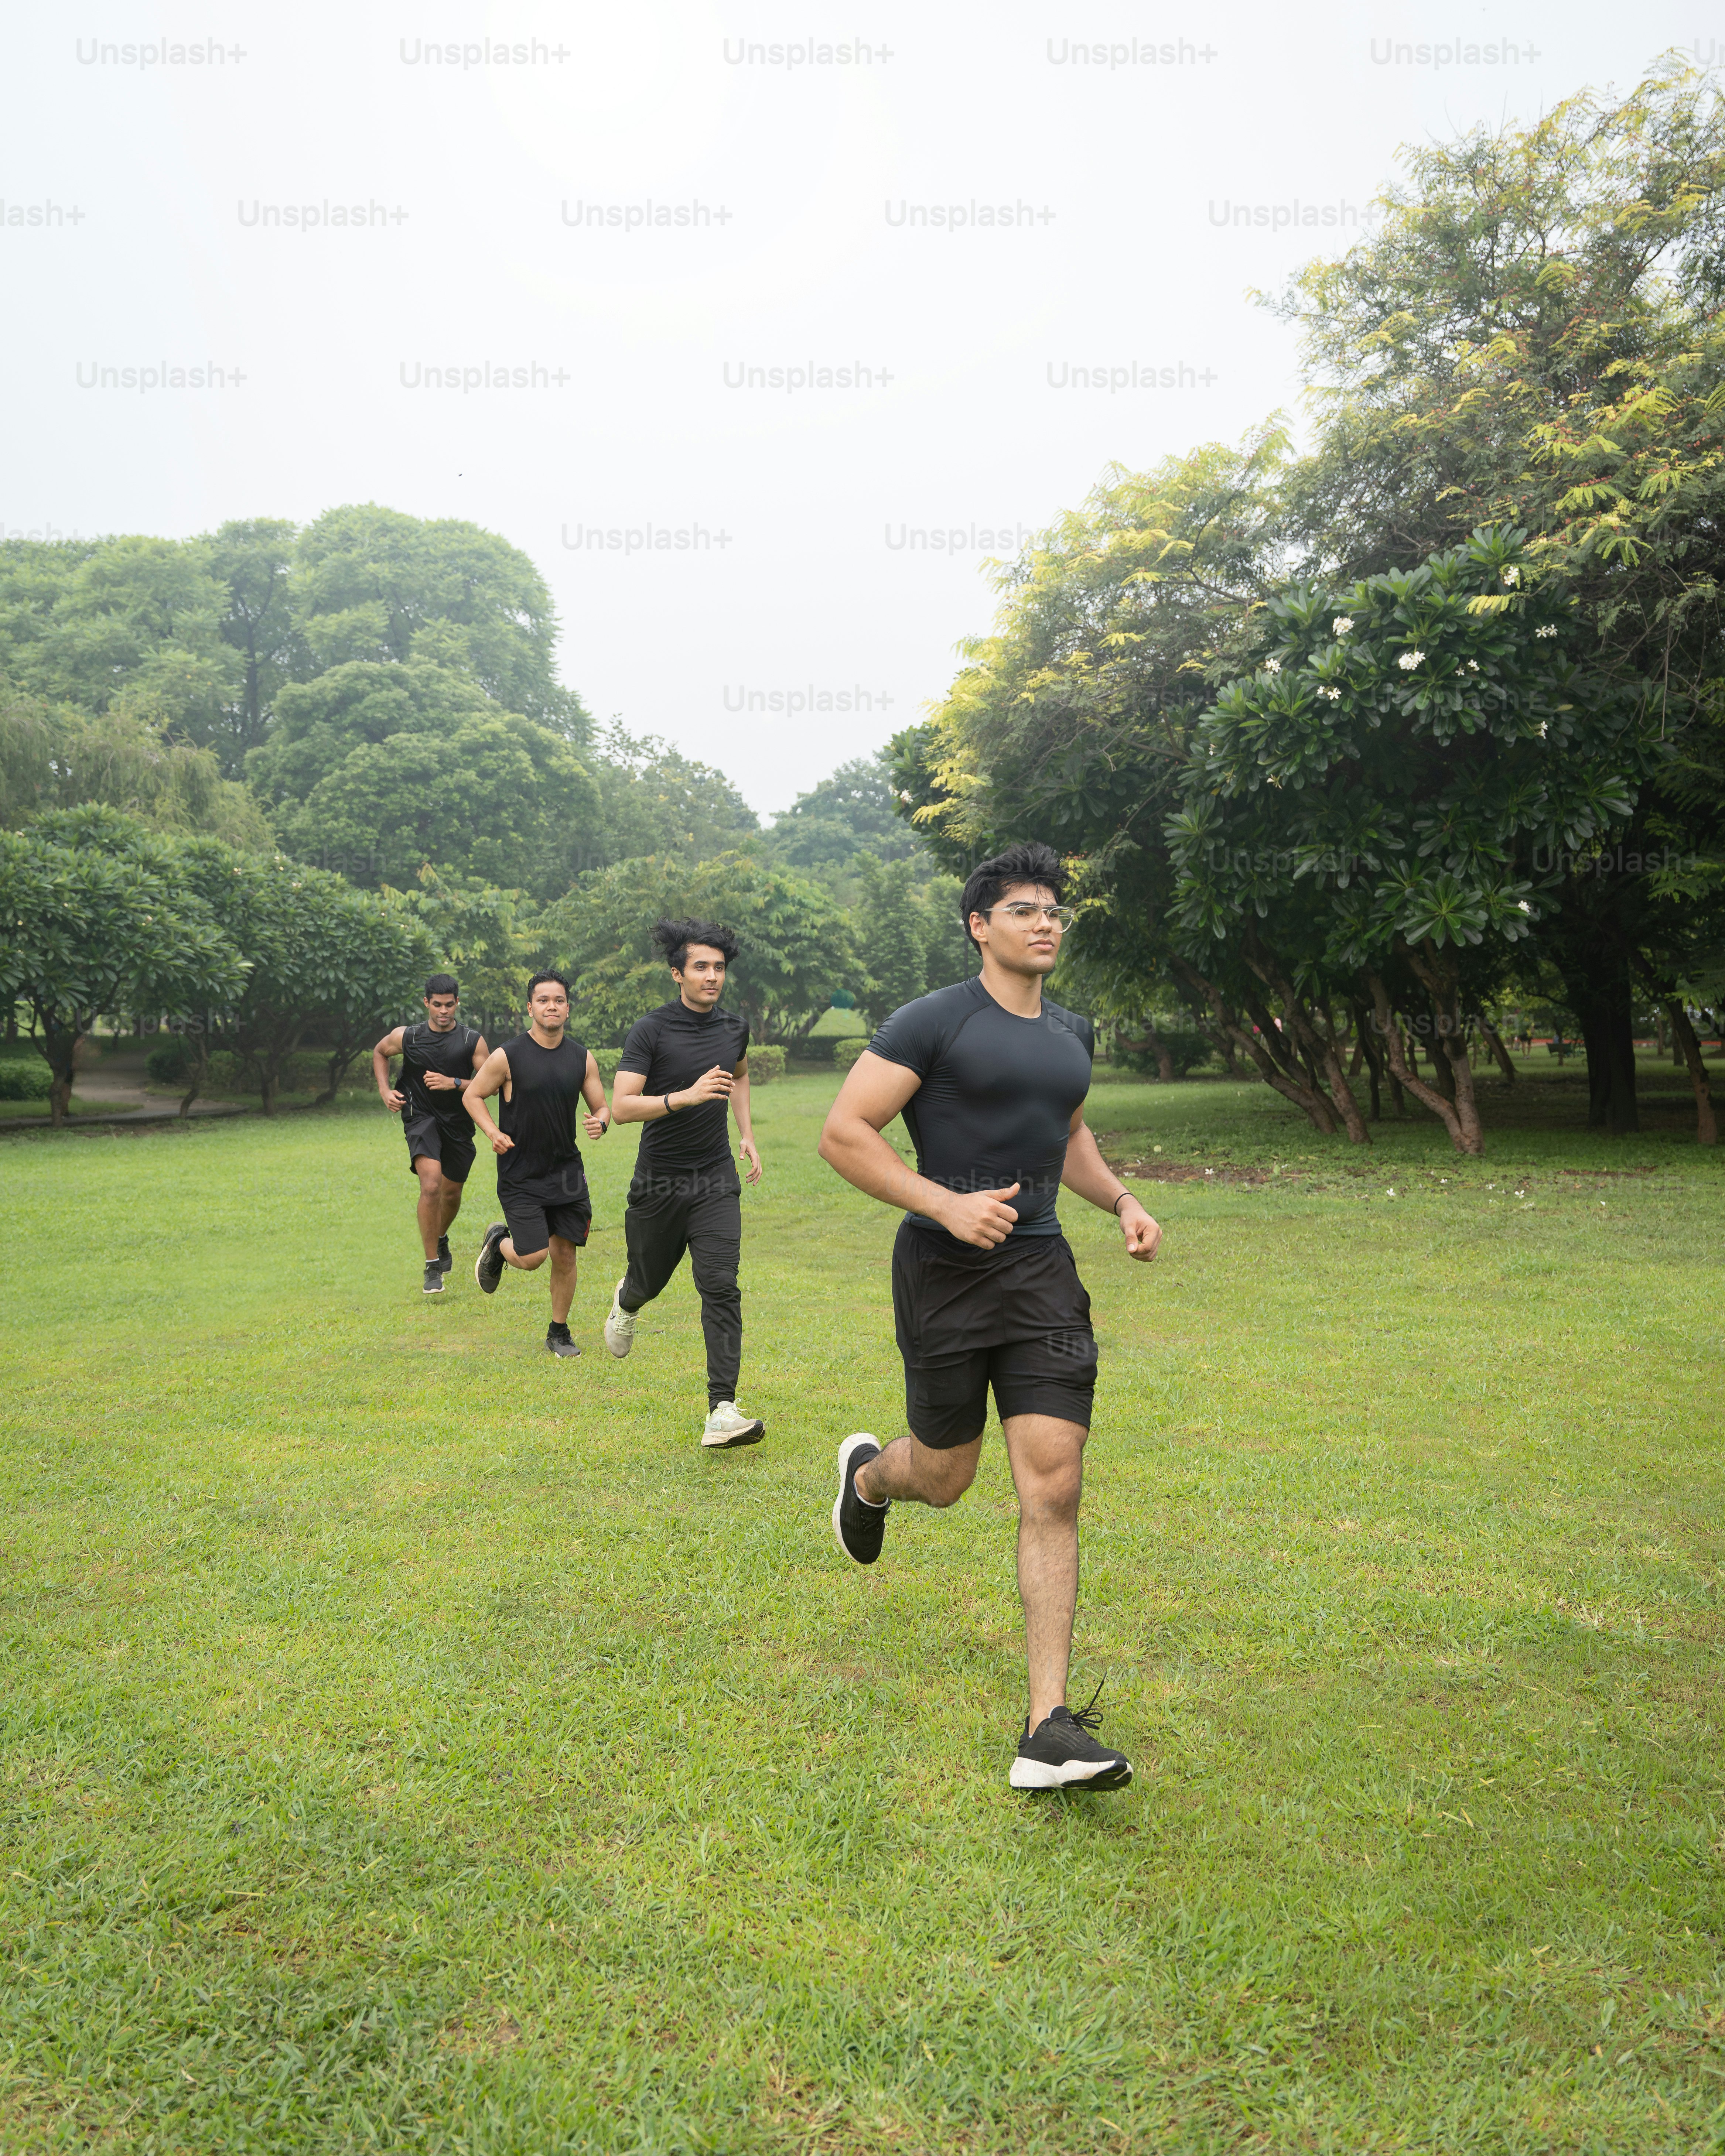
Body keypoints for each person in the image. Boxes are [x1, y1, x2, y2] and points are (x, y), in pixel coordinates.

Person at [817, 841, 1162, 1793]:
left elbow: (1070, 1133)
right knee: (947, 1474)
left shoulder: (1071, 1035)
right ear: (979, 926)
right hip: (944, 1272)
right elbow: (844, 1133)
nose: (1045, 922)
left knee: (1052, 1486)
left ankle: (1047, 1727)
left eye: (1053, 910)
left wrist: (1123, 1202)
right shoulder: (933, 1022)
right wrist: (942, 1204)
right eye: (1022, 909)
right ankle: (873, 1478)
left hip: (1042, 1272)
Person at [604, 918, 766, 1449]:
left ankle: (722, 1408)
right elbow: (622, 1106)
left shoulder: (732, 1028)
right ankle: (627, 1300)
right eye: (700, 966)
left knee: (720, 1283)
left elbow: (738, 1074)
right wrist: (685, 1097)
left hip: (715, 1179)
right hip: (660, 1183)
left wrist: (745, 1134)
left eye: (719, 967)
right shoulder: (651, 1030)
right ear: (677, 974)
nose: (712, 976)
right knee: (648, 1279)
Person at [461, 971, 609, 1358]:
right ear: (530, 1007)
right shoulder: (507, 1056)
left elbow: (602, 1106)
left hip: (566, 1172)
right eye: (543, 1000)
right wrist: (492, 1131)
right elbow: (473, 1096)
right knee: (532, 1258)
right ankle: (498, 1241)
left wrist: (602, 1121)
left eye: (558, 1000)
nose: (551, 1006)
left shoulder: (582, 1058)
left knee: (565, 1254)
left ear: (567, 1007)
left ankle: (558, 1333)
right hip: (521, 1174)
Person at [372, 973, 489, 1295]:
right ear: (426, 1003)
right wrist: (385, 1091)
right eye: (437, 1005)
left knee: (451, 1194)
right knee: (432, 1184)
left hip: (458, 1122)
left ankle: (440, 1237)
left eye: (449, 1005)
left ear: (457, 1004)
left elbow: (492, 1082)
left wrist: (454, 1083)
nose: (443, 1011)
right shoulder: (408, 1036)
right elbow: (380, 1052)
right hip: (420, 1116)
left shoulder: (471, 1041)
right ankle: (432, 1265)